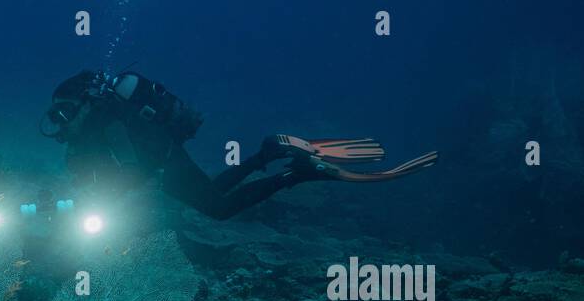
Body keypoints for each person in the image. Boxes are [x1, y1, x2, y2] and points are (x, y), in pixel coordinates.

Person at [41, 70, 438, 220]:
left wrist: (112, 195)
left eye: (62, 113)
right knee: (213, 196)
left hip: (160, 162)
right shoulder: (94, 131)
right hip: (163, 158)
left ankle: (295, 174)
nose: (59, 124)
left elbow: (130, 169)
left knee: (217, 209)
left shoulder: (107, 124)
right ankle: (267, 154)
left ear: (80, 105)